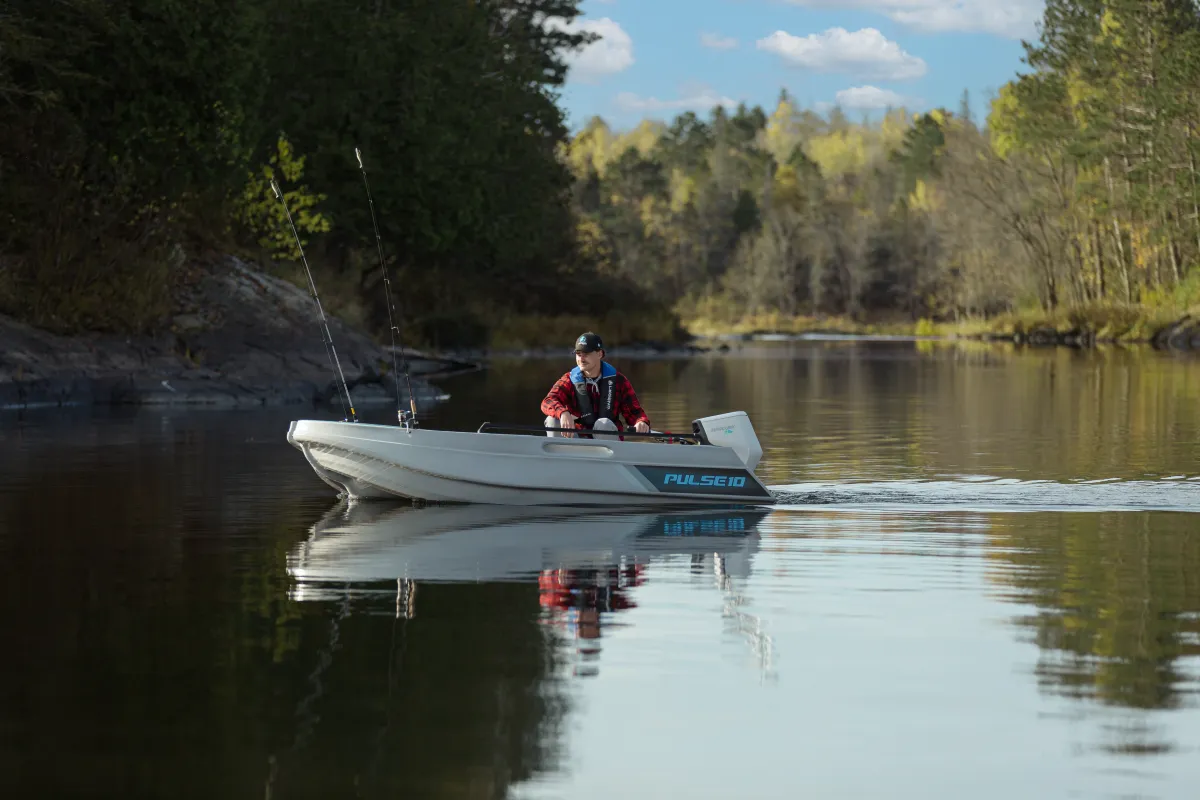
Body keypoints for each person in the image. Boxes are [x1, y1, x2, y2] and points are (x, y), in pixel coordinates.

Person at [541, 332, 651, 438]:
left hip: (607, 445)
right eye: (578, 354)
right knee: (552, 419)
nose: (581, 359)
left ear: (600, 354)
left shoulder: (619, 380)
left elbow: (635, 412)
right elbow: (548, 401)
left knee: (603, 423)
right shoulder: (568, 379)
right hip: (577, 440)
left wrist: (641, 422)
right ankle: (560, 455)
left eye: (586, 354)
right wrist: (563, 413)